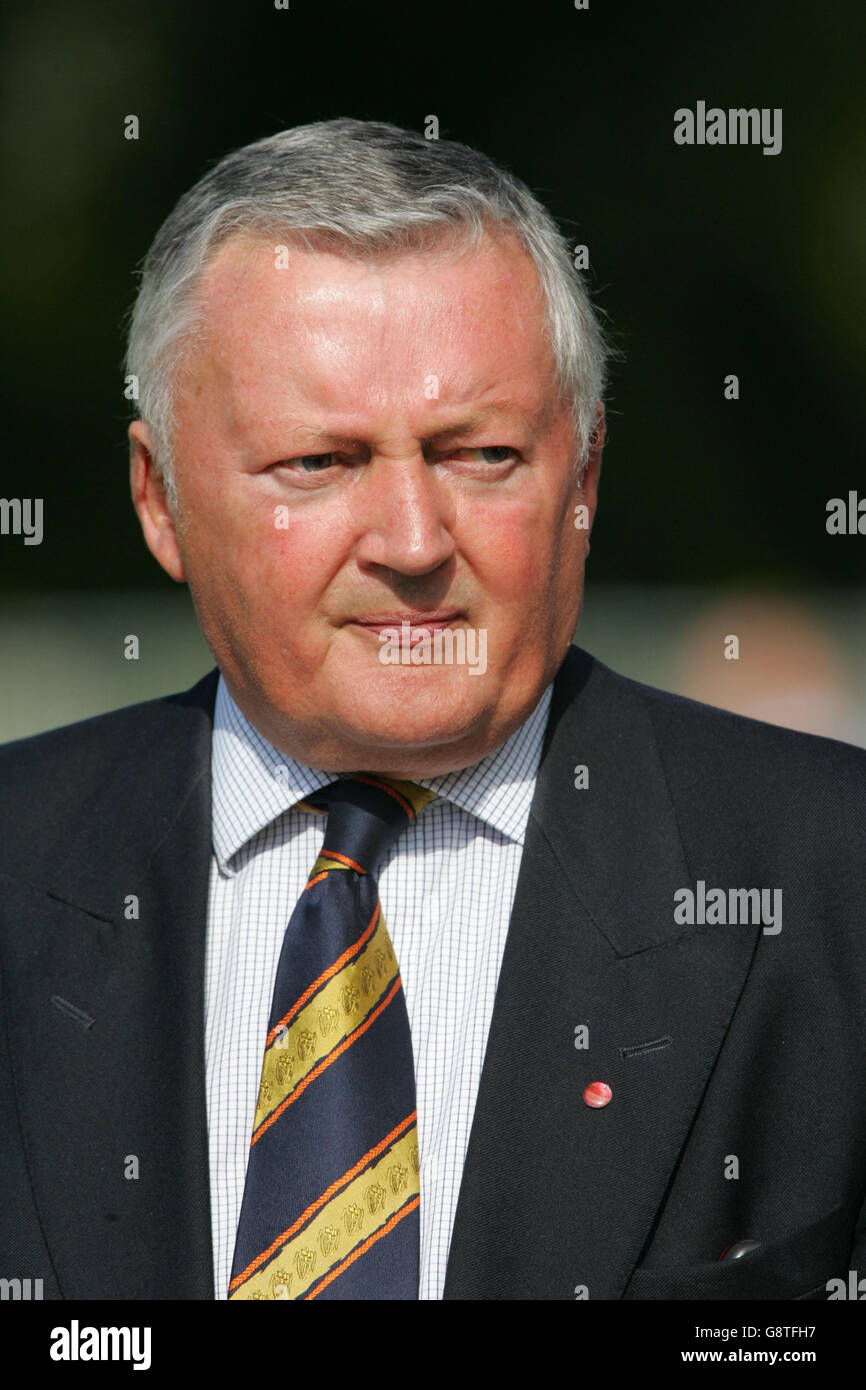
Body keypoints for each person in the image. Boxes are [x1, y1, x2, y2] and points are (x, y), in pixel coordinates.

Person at [1, 118, 864, 1302]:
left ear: (585, 476)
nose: (412, 543)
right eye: (318, 462)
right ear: (159, 500)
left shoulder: (830, 882)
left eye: (481, 455)